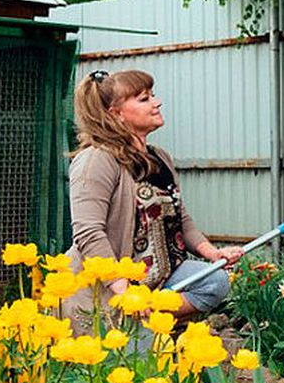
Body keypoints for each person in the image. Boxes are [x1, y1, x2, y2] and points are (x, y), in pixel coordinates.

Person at [62, 69, 243, 332]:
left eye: (153, 96)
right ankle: (133, 323)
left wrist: (212, 253)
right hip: (109, 289)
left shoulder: (160, 158)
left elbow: (181, 218)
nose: (156, 103)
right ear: (116, 114)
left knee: (214, 281)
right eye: (144, 99)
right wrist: (122, 288)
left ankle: (150, 319)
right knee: (140, 370)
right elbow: (88, 232)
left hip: (159, 278)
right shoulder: (96, 160)